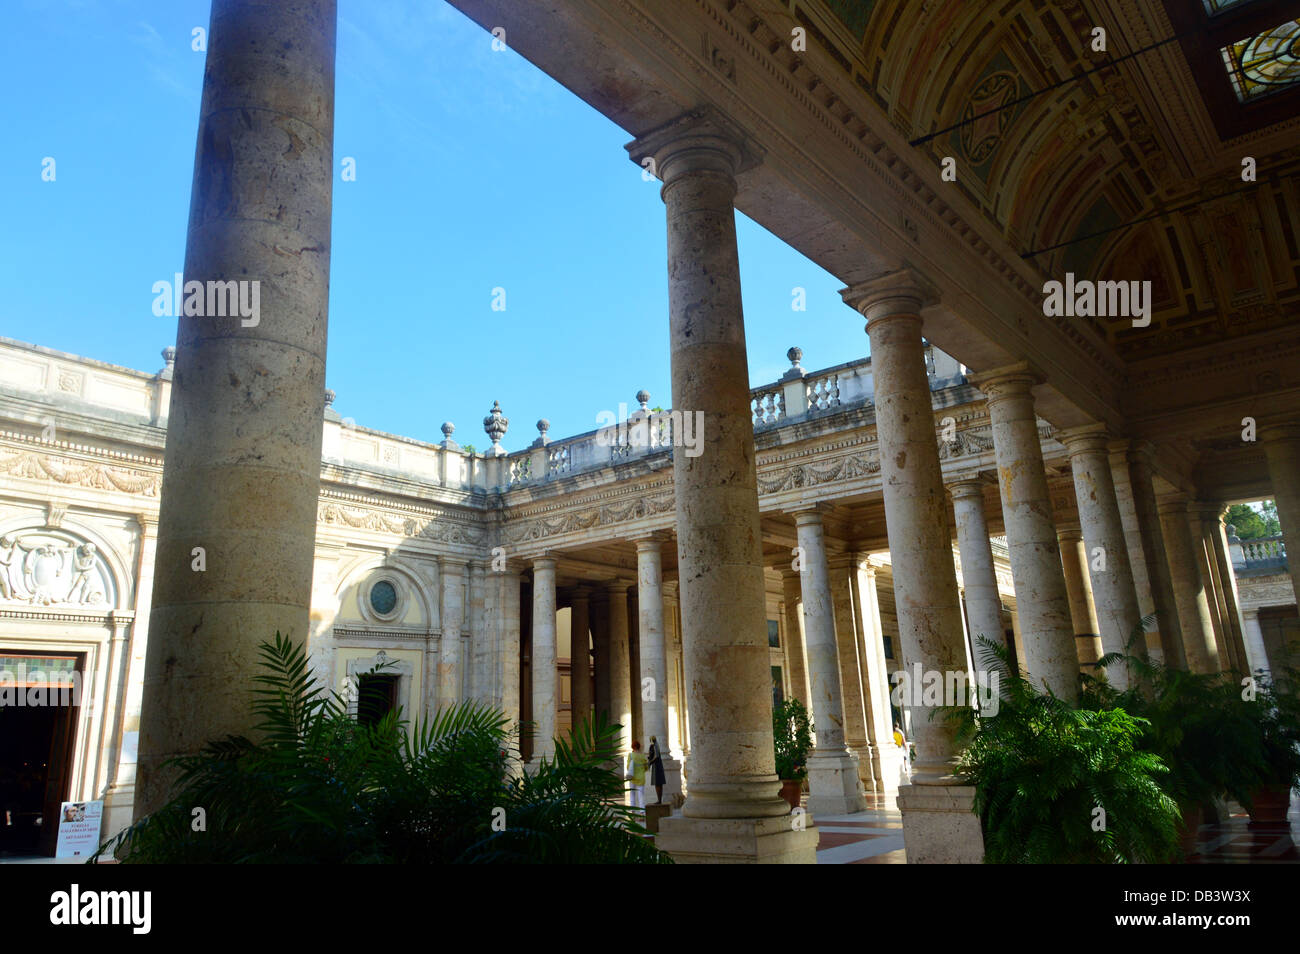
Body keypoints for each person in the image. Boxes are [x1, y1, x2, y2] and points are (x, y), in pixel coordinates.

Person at [625, 740, 648, 812]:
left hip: (632, 777)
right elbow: (646, 767)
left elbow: (628, 767)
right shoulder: (642, 756)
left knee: (632, 794)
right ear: (639, 747)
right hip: (641, 778)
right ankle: (642, 811)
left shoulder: (631, 755)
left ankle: (632, 809)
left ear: (632, 747)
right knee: (641, 795)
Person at [647, 735, 666, 804]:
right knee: (657, 783)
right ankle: (659, 800)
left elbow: (656, 756)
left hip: (657, 766)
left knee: (658, 783)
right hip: (657, 766)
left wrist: (650, 762)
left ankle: (659, 800)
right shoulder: (655, 745)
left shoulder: (654, 746)